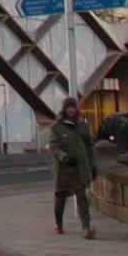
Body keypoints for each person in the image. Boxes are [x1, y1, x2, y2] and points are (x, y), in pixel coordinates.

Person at [49, 97, 98, 239]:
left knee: (82, 197)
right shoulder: (57, 127)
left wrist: (93, 165)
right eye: (68, 107)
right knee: (60, 197)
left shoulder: (82, 125)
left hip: (79, 167)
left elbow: (90, 145)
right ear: (64, 109)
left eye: (73, 107)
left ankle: (86, 227)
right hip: (64, 169)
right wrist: (64, 157)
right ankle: (58, 223)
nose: (71, 110)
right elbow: (53, 146)